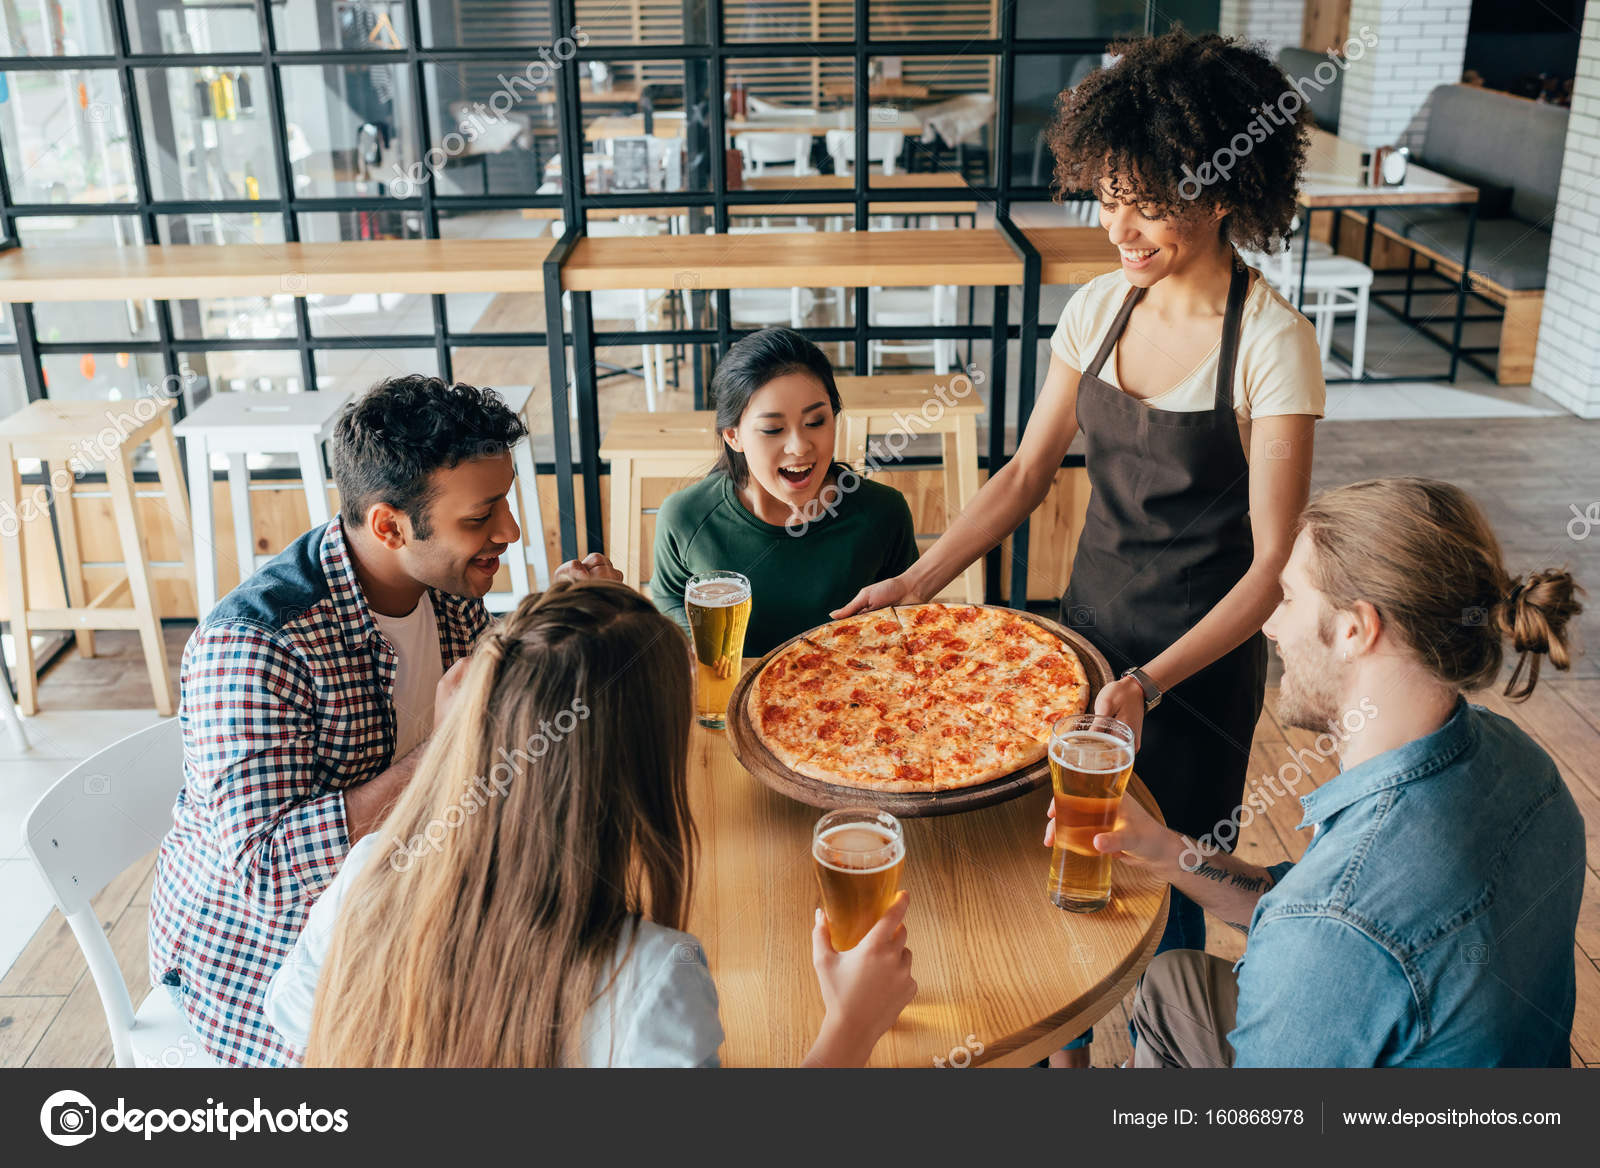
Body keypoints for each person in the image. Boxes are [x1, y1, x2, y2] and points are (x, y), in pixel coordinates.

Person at [835, 30, 1325, 1065]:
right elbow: (1019, 477)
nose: (1120, 229)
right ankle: (1062, 1064)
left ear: (1224, 189)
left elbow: (1271, 567)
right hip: (1081, 636)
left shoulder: (1273, 343)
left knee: (1165, 889)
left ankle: (1164, 1063)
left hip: (1194, 671)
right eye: (1106, 198)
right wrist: (913, 583)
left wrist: (1152, 677)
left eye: (1149, 204)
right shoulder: (1099, 308)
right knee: (1061, 865)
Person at [150, 375, 620, 1067]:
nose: (511, 532)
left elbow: (477, 682)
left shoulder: (443, 582)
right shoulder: (257, 647)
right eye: (480, 516)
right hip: (269, 968)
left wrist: (555, 615)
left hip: (412, 895)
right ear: (389, 525)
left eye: (507, 503)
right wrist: (454, 744)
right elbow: (268, 875)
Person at [266, 580, 916, 1067]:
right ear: (638, 774)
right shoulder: (650, 981)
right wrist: (851, 1025)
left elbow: (297, 1030)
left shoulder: (365, 875)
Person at [1056, 478, 1586, 1067]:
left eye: (1287, 600)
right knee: (1174, 981)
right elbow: (1306, 907)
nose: (1269, 628)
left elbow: (1329, 927)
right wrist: (1165, 851)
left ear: (1357, 629)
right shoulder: (1526, 765)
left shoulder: (1329, 929)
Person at [649, 327, 919, 656]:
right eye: (773, 429)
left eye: (816, 421)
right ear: (733, 435)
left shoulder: (883, 512)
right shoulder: (685, 518)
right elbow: (668, 605)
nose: (799, 446)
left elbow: (911, 627)